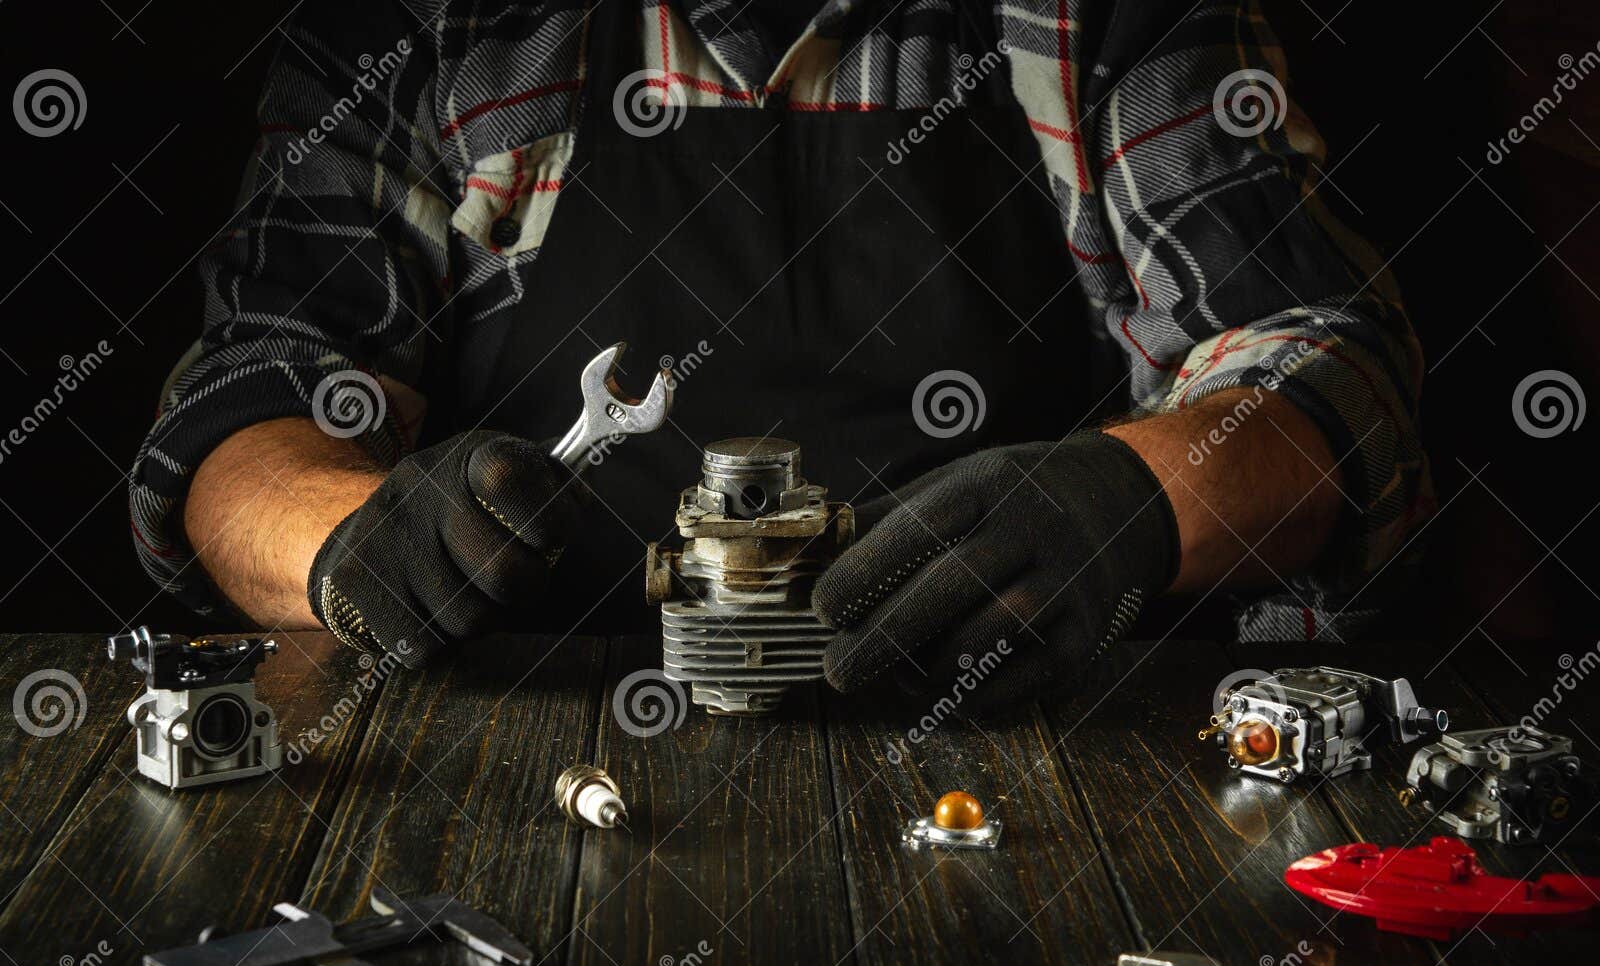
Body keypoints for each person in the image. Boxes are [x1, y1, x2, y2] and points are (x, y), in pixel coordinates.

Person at [129, 0, 1429, 708]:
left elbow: (1329, 372)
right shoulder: (431, 27)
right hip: (531, 759)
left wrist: (1131, 502)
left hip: (1017, 740)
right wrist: (353, 544)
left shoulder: (1101, 22)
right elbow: (252, 399)